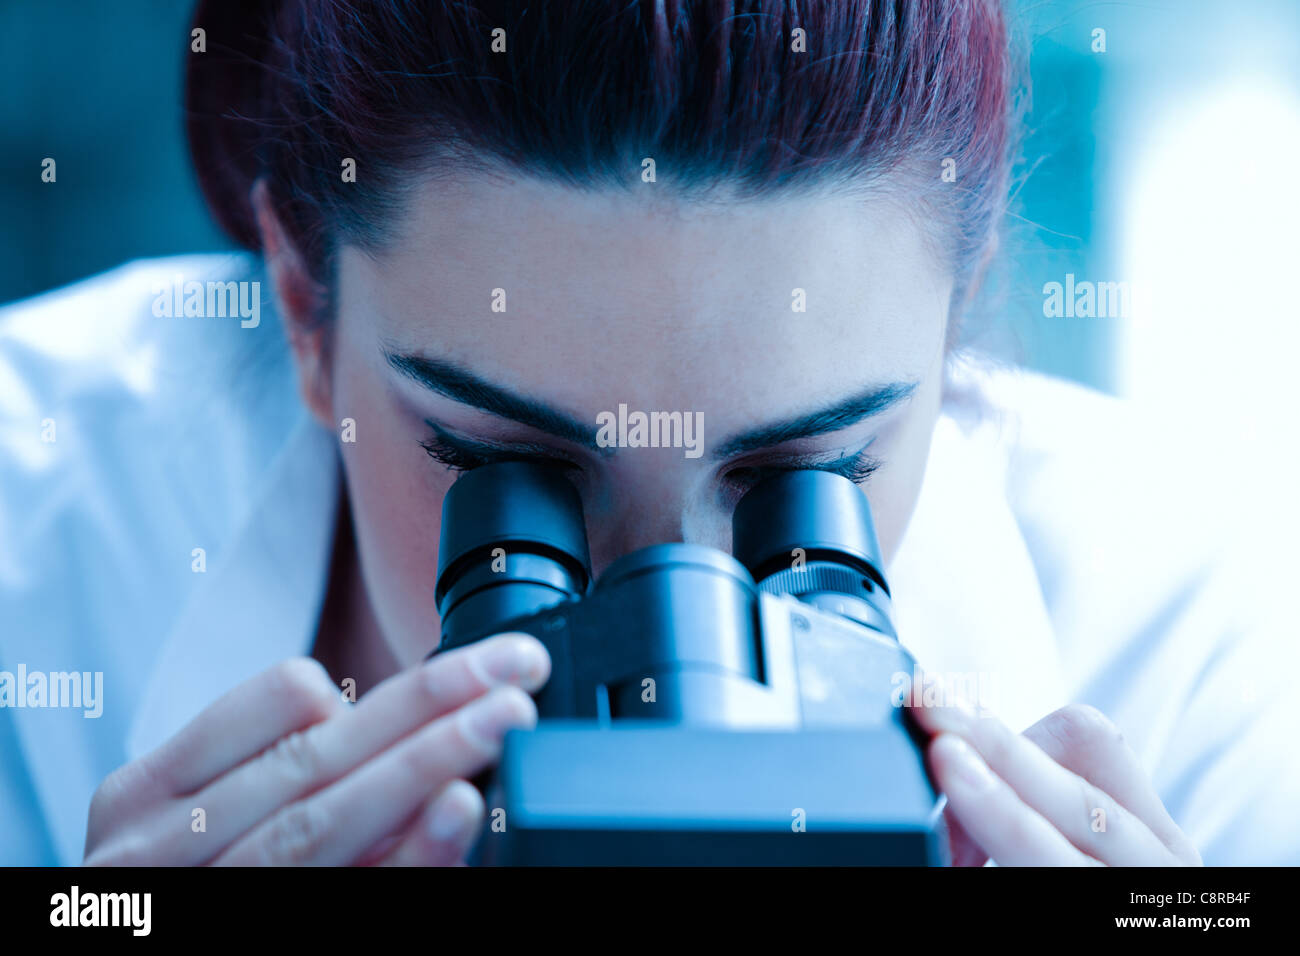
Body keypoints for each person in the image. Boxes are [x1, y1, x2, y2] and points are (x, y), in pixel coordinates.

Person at [1, 0, 1295, 867]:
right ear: (300, 305)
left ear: (950, 331)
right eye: (497, 466)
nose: (669, 637)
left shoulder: (1185, 641)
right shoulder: (31, 538)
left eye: (812, 478)